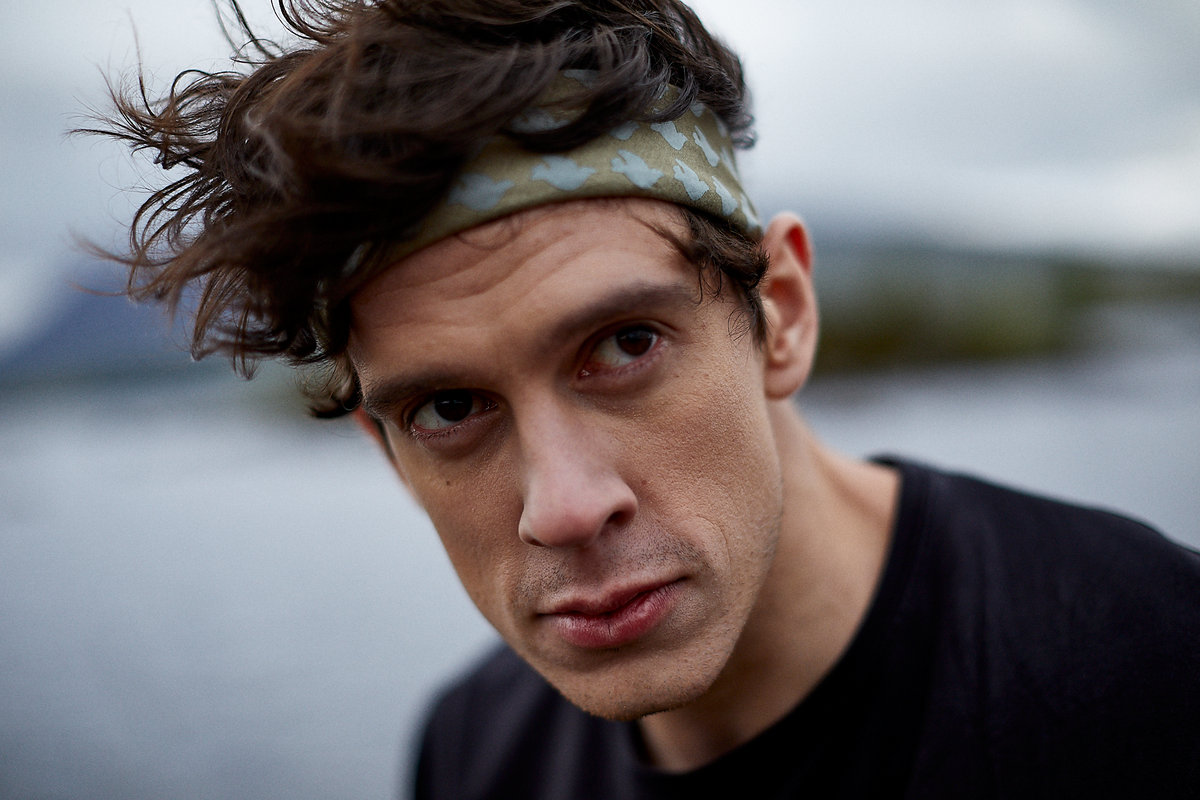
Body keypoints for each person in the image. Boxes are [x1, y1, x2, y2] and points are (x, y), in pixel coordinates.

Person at [89, 1, 1200, 797]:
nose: (566, 507)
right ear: (389, 454)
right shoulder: (471, 754)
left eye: (625, 344)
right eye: (450, 410)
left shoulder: (1147, 659)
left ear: (781, 313)